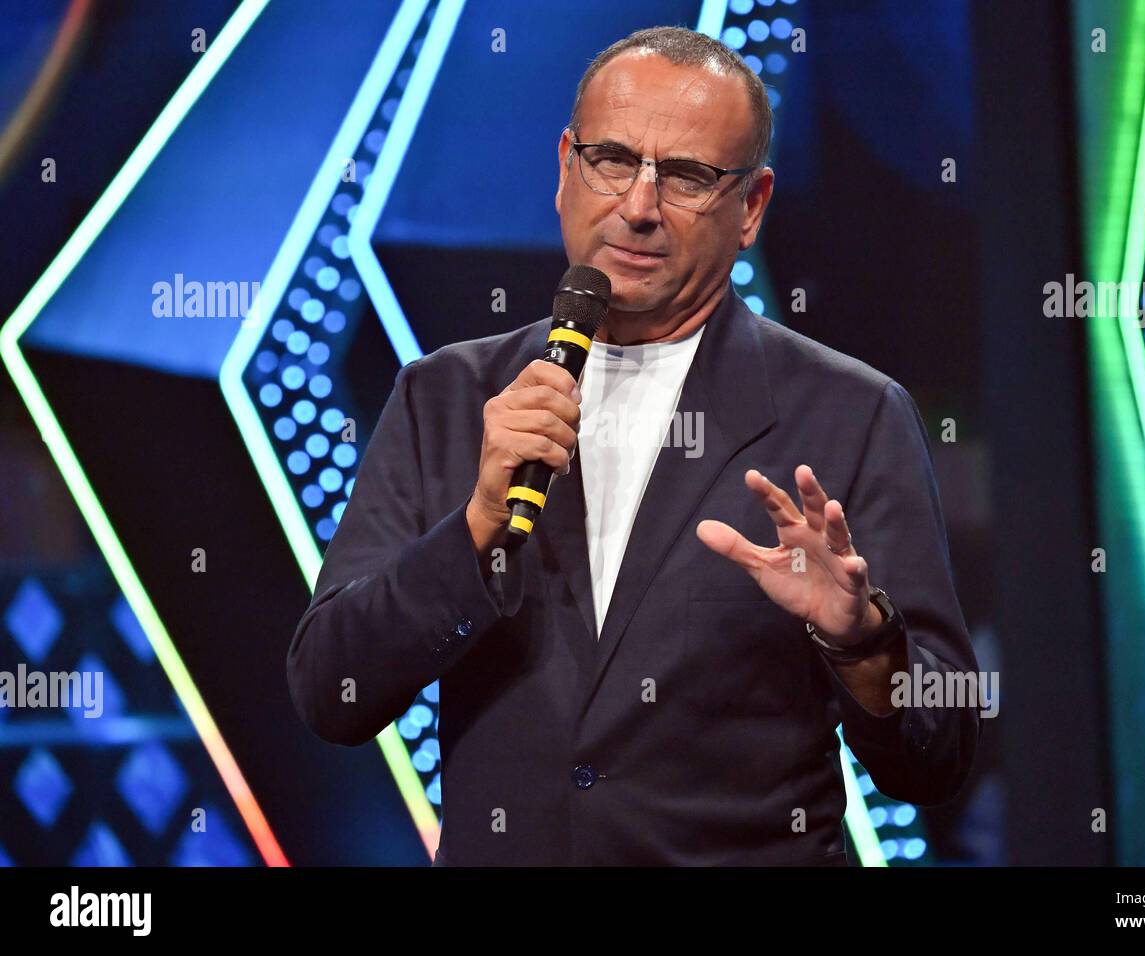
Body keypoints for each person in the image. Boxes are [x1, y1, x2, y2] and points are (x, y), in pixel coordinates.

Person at [287, 26, 979, 866]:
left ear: (752, 207)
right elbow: (332, 691)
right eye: (612, 160)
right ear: (565, 168)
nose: (639, 207)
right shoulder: (446, 395)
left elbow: (937, 754)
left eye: (686, 176)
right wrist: (472, 530)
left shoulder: (850, 414)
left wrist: (860, 640)